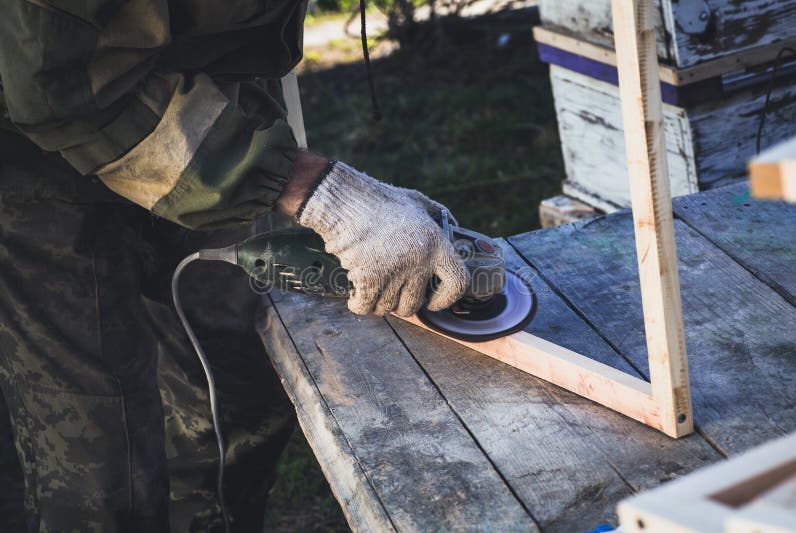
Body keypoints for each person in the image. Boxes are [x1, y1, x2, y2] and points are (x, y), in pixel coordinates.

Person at [0, 1, 468, 531]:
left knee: (233, 402)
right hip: (35, 157)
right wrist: (316, 191)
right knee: (101, 460)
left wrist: (300, 162)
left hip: (205, 113)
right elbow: (52, 80)